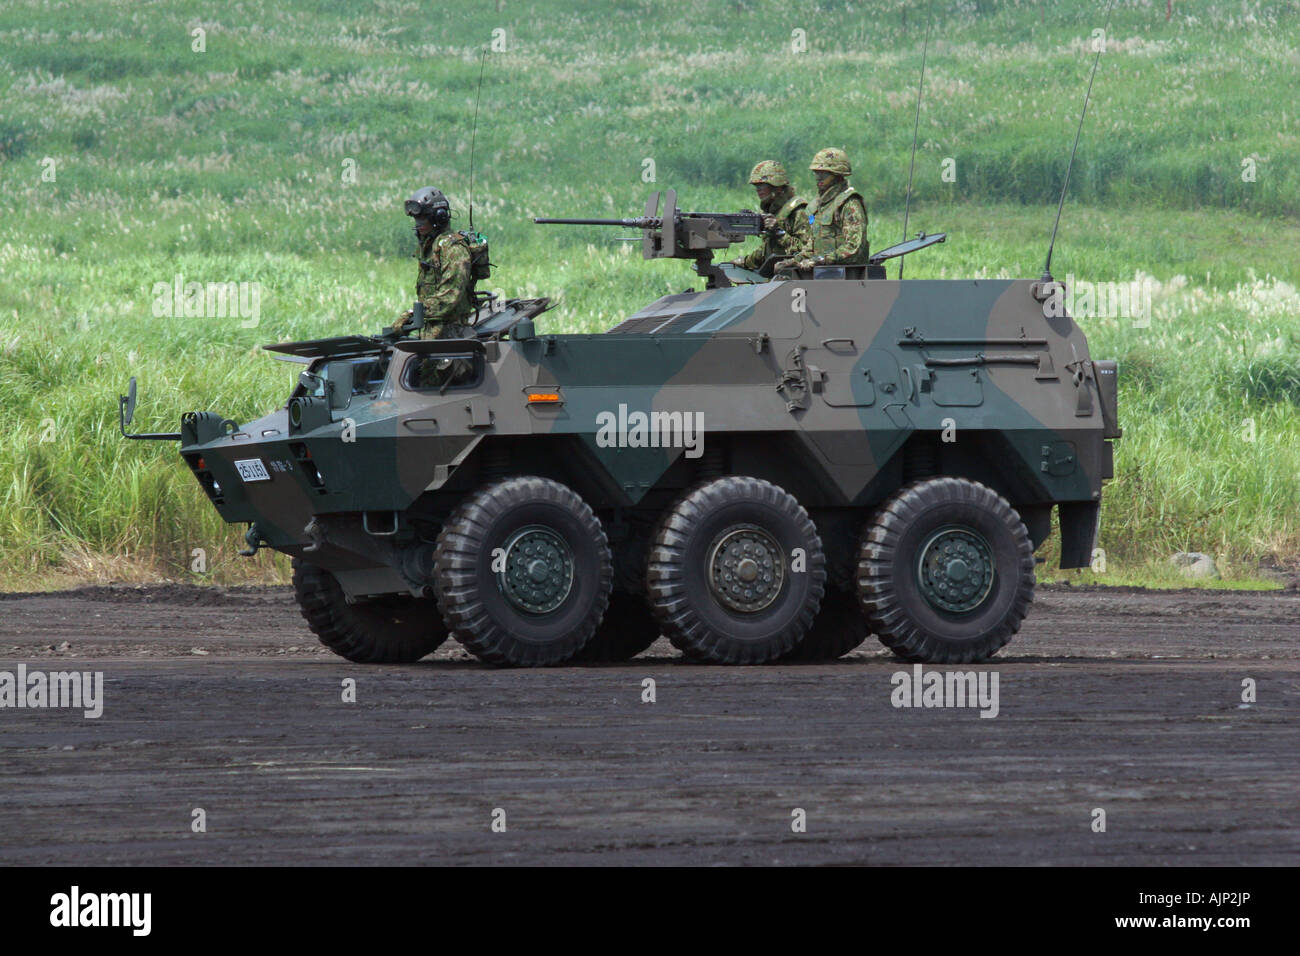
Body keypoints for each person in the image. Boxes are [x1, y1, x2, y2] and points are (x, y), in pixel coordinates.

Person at [392, 186, 475, 340]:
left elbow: (449, 296)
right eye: (416, 219)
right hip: (432, 333)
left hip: (451, 337)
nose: (418, 223)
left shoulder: (453, 249)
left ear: (439, 217)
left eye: (423, 218)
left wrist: (413, 314)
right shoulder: (431, 247)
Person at [774, 148, 868, 273]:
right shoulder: (819, 205)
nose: (818, 178)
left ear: (838, 176)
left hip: (847, 276)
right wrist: (793, 261)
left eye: (823, 174)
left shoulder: (849, 203)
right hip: (822, 274)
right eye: (816, 173)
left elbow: (854, 247)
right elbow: (811, 246)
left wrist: (822, 260)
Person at [728, 161, 810, 277]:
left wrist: (779, 233)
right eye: (756, 186)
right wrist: (746, 261)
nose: (758, 190)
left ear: (776, 186)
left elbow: (807, 250)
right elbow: (768, 248)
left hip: (794, 276)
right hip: (776, 274)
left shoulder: (798, 212)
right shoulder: (775, 211)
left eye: (762, 186)